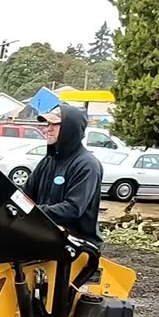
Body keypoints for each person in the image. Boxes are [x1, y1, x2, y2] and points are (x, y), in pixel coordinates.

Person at [24, 103, 104, 247]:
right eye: (48, 124)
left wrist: (34, 213)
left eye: (55, 124)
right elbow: (26, 193)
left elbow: (73, 209)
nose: (48, 128)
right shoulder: (48, 161)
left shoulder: (87, 165)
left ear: (70, 129)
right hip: (47, 235)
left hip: (76, 245)